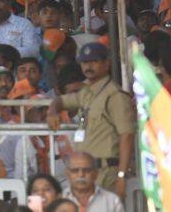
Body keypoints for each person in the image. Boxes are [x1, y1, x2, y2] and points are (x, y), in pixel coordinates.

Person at [47, 42, 135, 196]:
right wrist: (52, 111)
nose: (88, 66)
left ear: (106, 64)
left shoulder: (115, 96)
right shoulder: (86, 91)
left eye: (94, 61)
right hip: (87, 172)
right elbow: (61, 101)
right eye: (85, 62)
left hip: (107, 171)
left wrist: (121, 176)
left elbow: (127, 136)